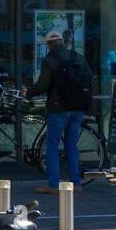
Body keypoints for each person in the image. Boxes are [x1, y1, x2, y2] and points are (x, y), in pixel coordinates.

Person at [26, 29, 93, 193]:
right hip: (78, 107)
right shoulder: (77, 56)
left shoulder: (50, 60)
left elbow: (42, 85)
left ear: (49, 45)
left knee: (52, 145)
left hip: (59, 108)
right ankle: (76, 183)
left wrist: (28, 93)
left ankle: (53, 185)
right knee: (71, 144)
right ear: (62, 42)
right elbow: (90, 80)